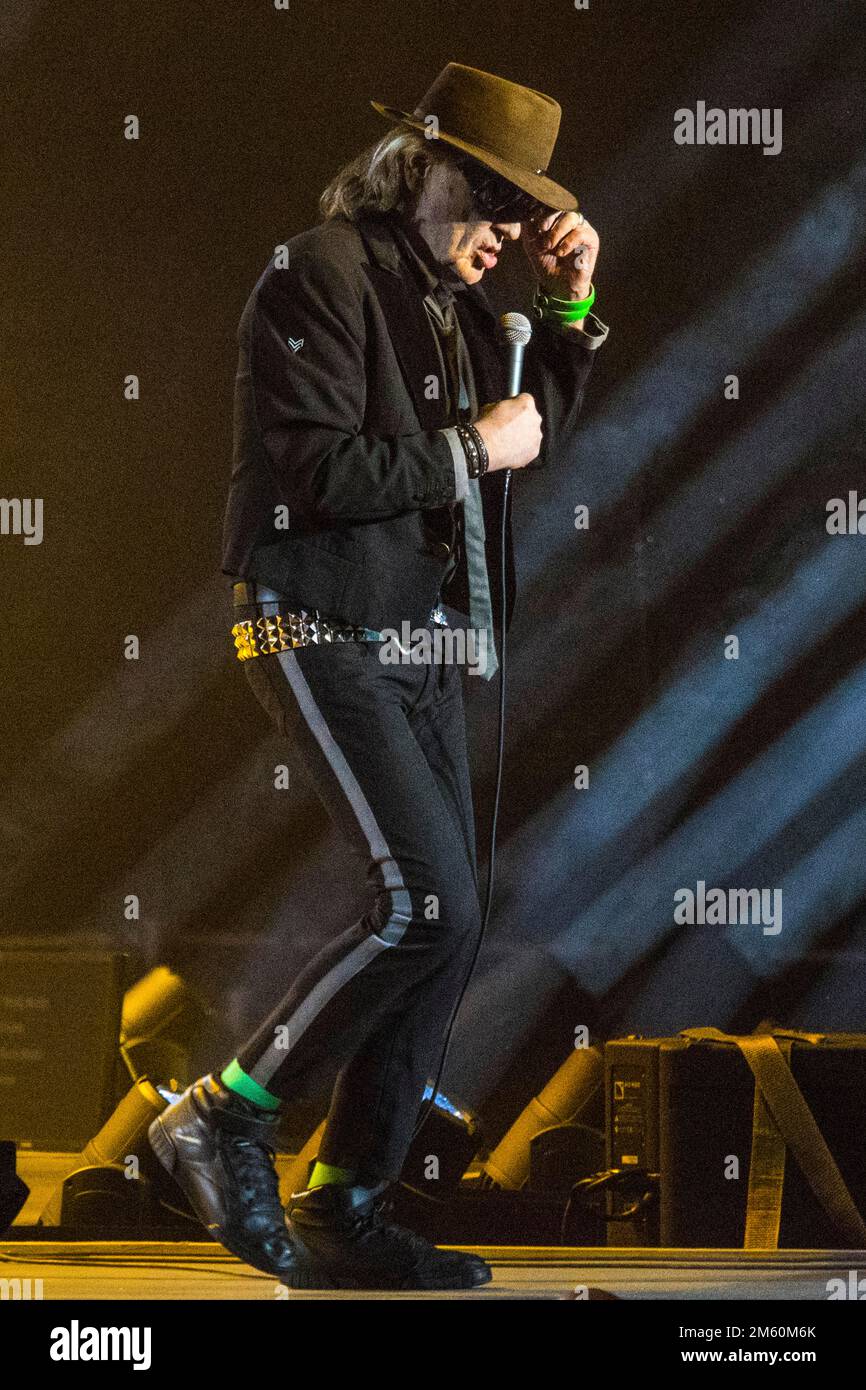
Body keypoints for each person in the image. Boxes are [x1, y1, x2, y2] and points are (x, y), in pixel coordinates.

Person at [148, 61, 608, 1291]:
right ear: (426, 166)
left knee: (450, 930)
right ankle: (224, 1115)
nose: (508, 232)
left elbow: (519, 447)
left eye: (523, 213)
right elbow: (316, 477)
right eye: (493, 201)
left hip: (415, 638)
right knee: (424, 906)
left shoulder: (451, 304)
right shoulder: (320, 272)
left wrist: (566, 317)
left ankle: (344, 1202)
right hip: (309, 619)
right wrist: (471, 442)